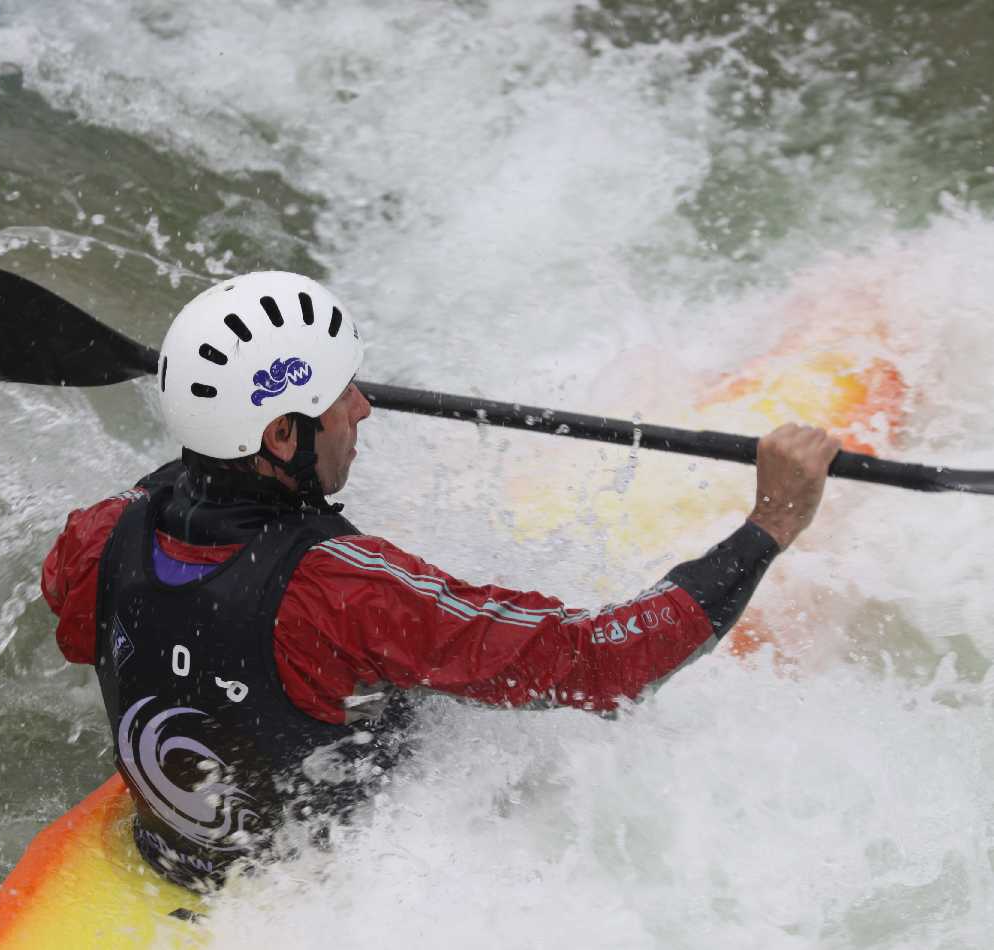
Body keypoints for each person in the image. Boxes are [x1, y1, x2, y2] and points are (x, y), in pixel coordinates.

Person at [41, 271, 840, 890]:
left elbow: (90, 618)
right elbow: (600, 665)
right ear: (281, 433)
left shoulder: (98, 535)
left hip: (172, 856)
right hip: (326, 886)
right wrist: (768, 524)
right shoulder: (350, 592)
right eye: (338, 397)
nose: (363, 408)